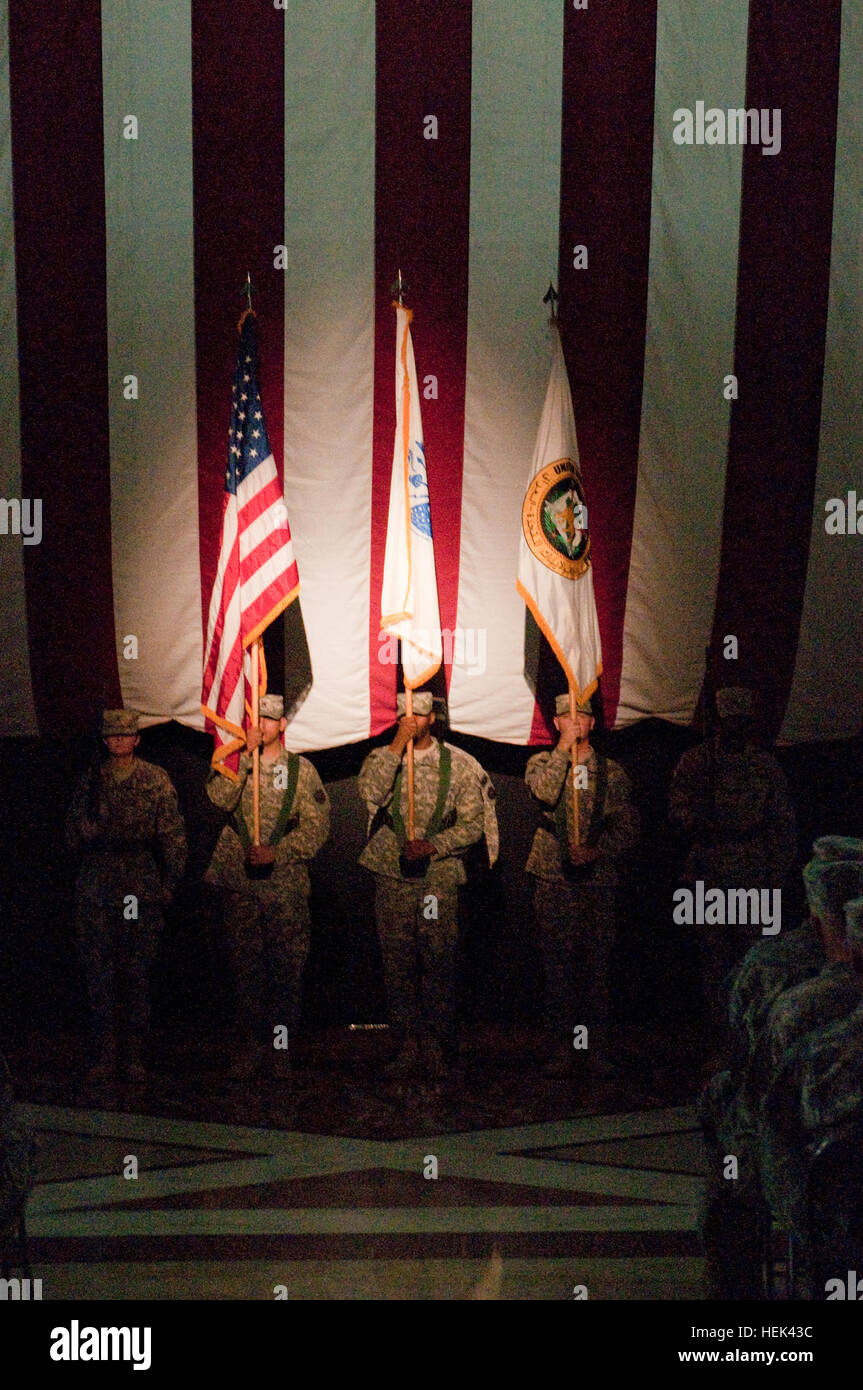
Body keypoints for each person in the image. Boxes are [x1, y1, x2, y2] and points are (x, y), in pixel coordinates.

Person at [358, 690, 497, 1082]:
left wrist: (435, 845)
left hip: (436, 880)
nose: (411, 719)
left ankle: (437, 1046)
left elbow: (473, 825)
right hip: (393, 877)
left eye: (418, 714)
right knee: (398, 965)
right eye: (404, 713)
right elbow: (370, 793)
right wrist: (396, 745)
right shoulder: (383, 758)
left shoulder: (458, 765)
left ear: (431, 718)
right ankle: (406, 1046)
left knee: (437, 961)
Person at [204, 694, 330, 1082]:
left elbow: (317, 827)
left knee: (285, 973)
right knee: (246, 972)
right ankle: (250, 1046)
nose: (262, 725)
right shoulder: (233, 763)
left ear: (282, 726)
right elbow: (218, 799)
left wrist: (280, 851)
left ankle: (279, 1050)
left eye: (270, 720)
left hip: (284, 885)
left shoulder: (301, 771)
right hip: (240, 884)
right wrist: (244, 757)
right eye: (256, 719)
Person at [65, 709, 187, 1083]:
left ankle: (134, 1054)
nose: (119, 741)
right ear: (105, 741)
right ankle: (104, 1053)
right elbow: (70, 837)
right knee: (99, 971)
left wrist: (170, 882)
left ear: (137, 739)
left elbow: (172, 834)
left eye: (125, 735)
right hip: (98, 882)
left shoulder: (155, 779)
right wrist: (82, 832)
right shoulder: (91, 780)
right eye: (112, 736)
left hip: (137, 881)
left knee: (136, 969)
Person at [669, 685, 796, 1035]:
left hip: (752, 869)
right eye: (730, 721)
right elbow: (676, 809)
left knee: (753, 958)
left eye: (742, 721)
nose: (735, 728)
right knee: (713, 959)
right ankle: (718, 1040)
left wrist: (777, 877)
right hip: (708, 869)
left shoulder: (765, 766)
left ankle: (749, 1040)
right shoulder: (697, 762)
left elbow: (782, 823)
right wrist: (699, 821)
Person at [524, 693, 639, 1079]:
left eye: (582, 718)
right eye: (566, 719)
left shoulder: (612, 773)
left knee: (595, 969)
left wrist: (598, 851)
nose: (575, 724)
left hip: (596, 881)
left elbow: (628, 827)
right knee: (558, 968)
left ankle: (593, 1048)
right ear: (556, 723)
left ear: (592, 723)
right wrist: (562, 748)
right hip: (553, 877)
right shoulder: (541, 762)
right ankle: (561, 1048)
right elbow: (543, 792)